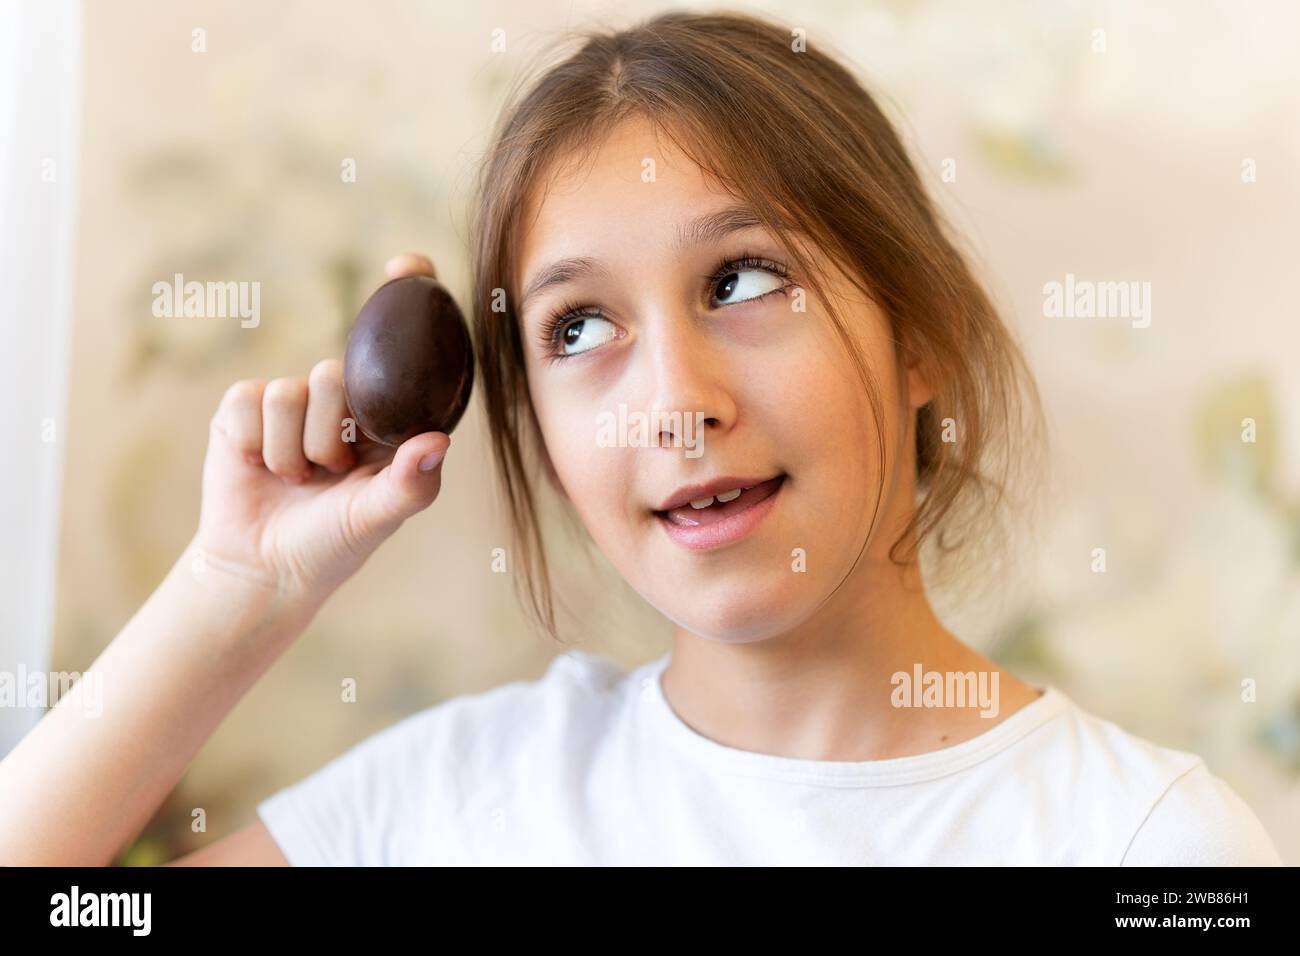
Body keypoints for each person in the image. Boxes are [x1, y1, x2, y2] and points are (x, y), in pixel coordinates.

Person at [0, 10, 1281, 866]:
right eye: (577, 327)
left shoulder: (1145, 844)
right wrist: (235, 593)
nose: (676, 398)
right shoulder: (452, 803)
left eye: (740, 280)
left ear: (923, 333)